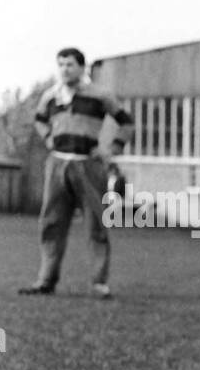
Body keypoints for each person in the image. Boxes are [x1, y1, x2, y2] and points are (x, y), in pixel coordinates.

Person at [20, 47, 133, 298]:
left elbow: (126, 121)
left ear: (82, 68)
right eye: (60, 65)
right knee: (51, 223)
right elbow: (39, 120)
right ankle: (46, 280)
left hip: (88, 165)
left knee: (96, 224)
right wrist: (48, 136)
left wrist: (112, 148)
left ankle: (98, 283)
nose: (64, 70)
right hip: (58, 164)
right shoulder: (51, 96)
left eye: (70, 65)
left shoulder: (100, 95)